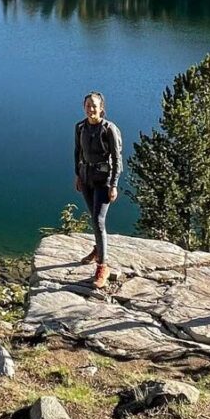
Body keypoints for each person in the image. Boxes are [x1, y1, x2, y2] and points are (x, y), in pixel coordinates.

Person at [73, 91, 123, 289]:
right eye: (87, 105)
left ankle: (103, 266)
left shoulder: (108, 129)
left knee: (98, 220)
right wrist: (78, 175)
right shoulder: (80, 127)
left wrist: (114, 184)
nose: (90, 109)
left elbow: (117, 159)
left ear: (101, 108)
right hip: (86, 178)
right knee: (93, 217)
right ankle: (97, 249)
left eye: (94, 106)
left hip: (103, 181)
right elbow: (77, 152)